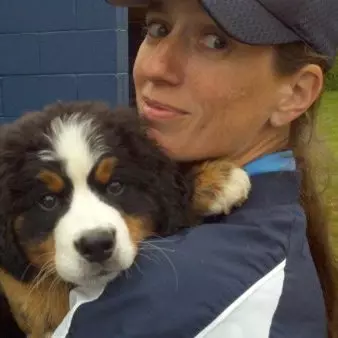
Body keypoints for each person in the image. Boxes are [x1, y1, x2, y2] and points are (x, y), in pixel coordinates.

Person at [52, 0, 338, 337]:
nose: (156, 68)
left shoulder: (177, 289)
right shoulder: (272, 223)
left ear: (295, 92)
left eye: (216, 42)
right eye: (158, 29)